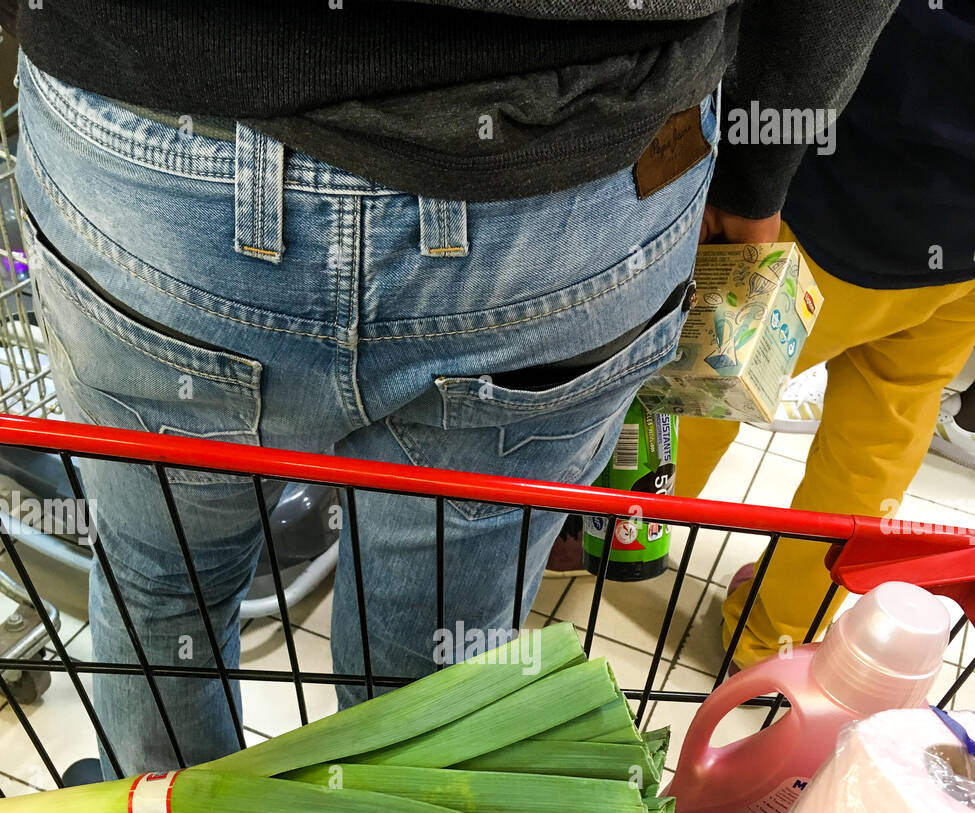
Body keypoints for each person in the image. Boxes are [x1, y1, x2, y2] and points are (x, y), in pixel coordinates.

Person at [3, 0, 895, 772]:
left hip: (146, 146)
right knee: (441, 648)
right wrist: (754, 172)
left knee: (162, 580)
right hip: (576, 177)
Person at [676, 0, 975, 668]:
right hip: (959, 262)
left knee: (706, 383)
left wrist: (746, 181)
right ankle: (771, 634)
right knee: (879, 436)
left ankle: (612, 536)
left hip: (840, 205)